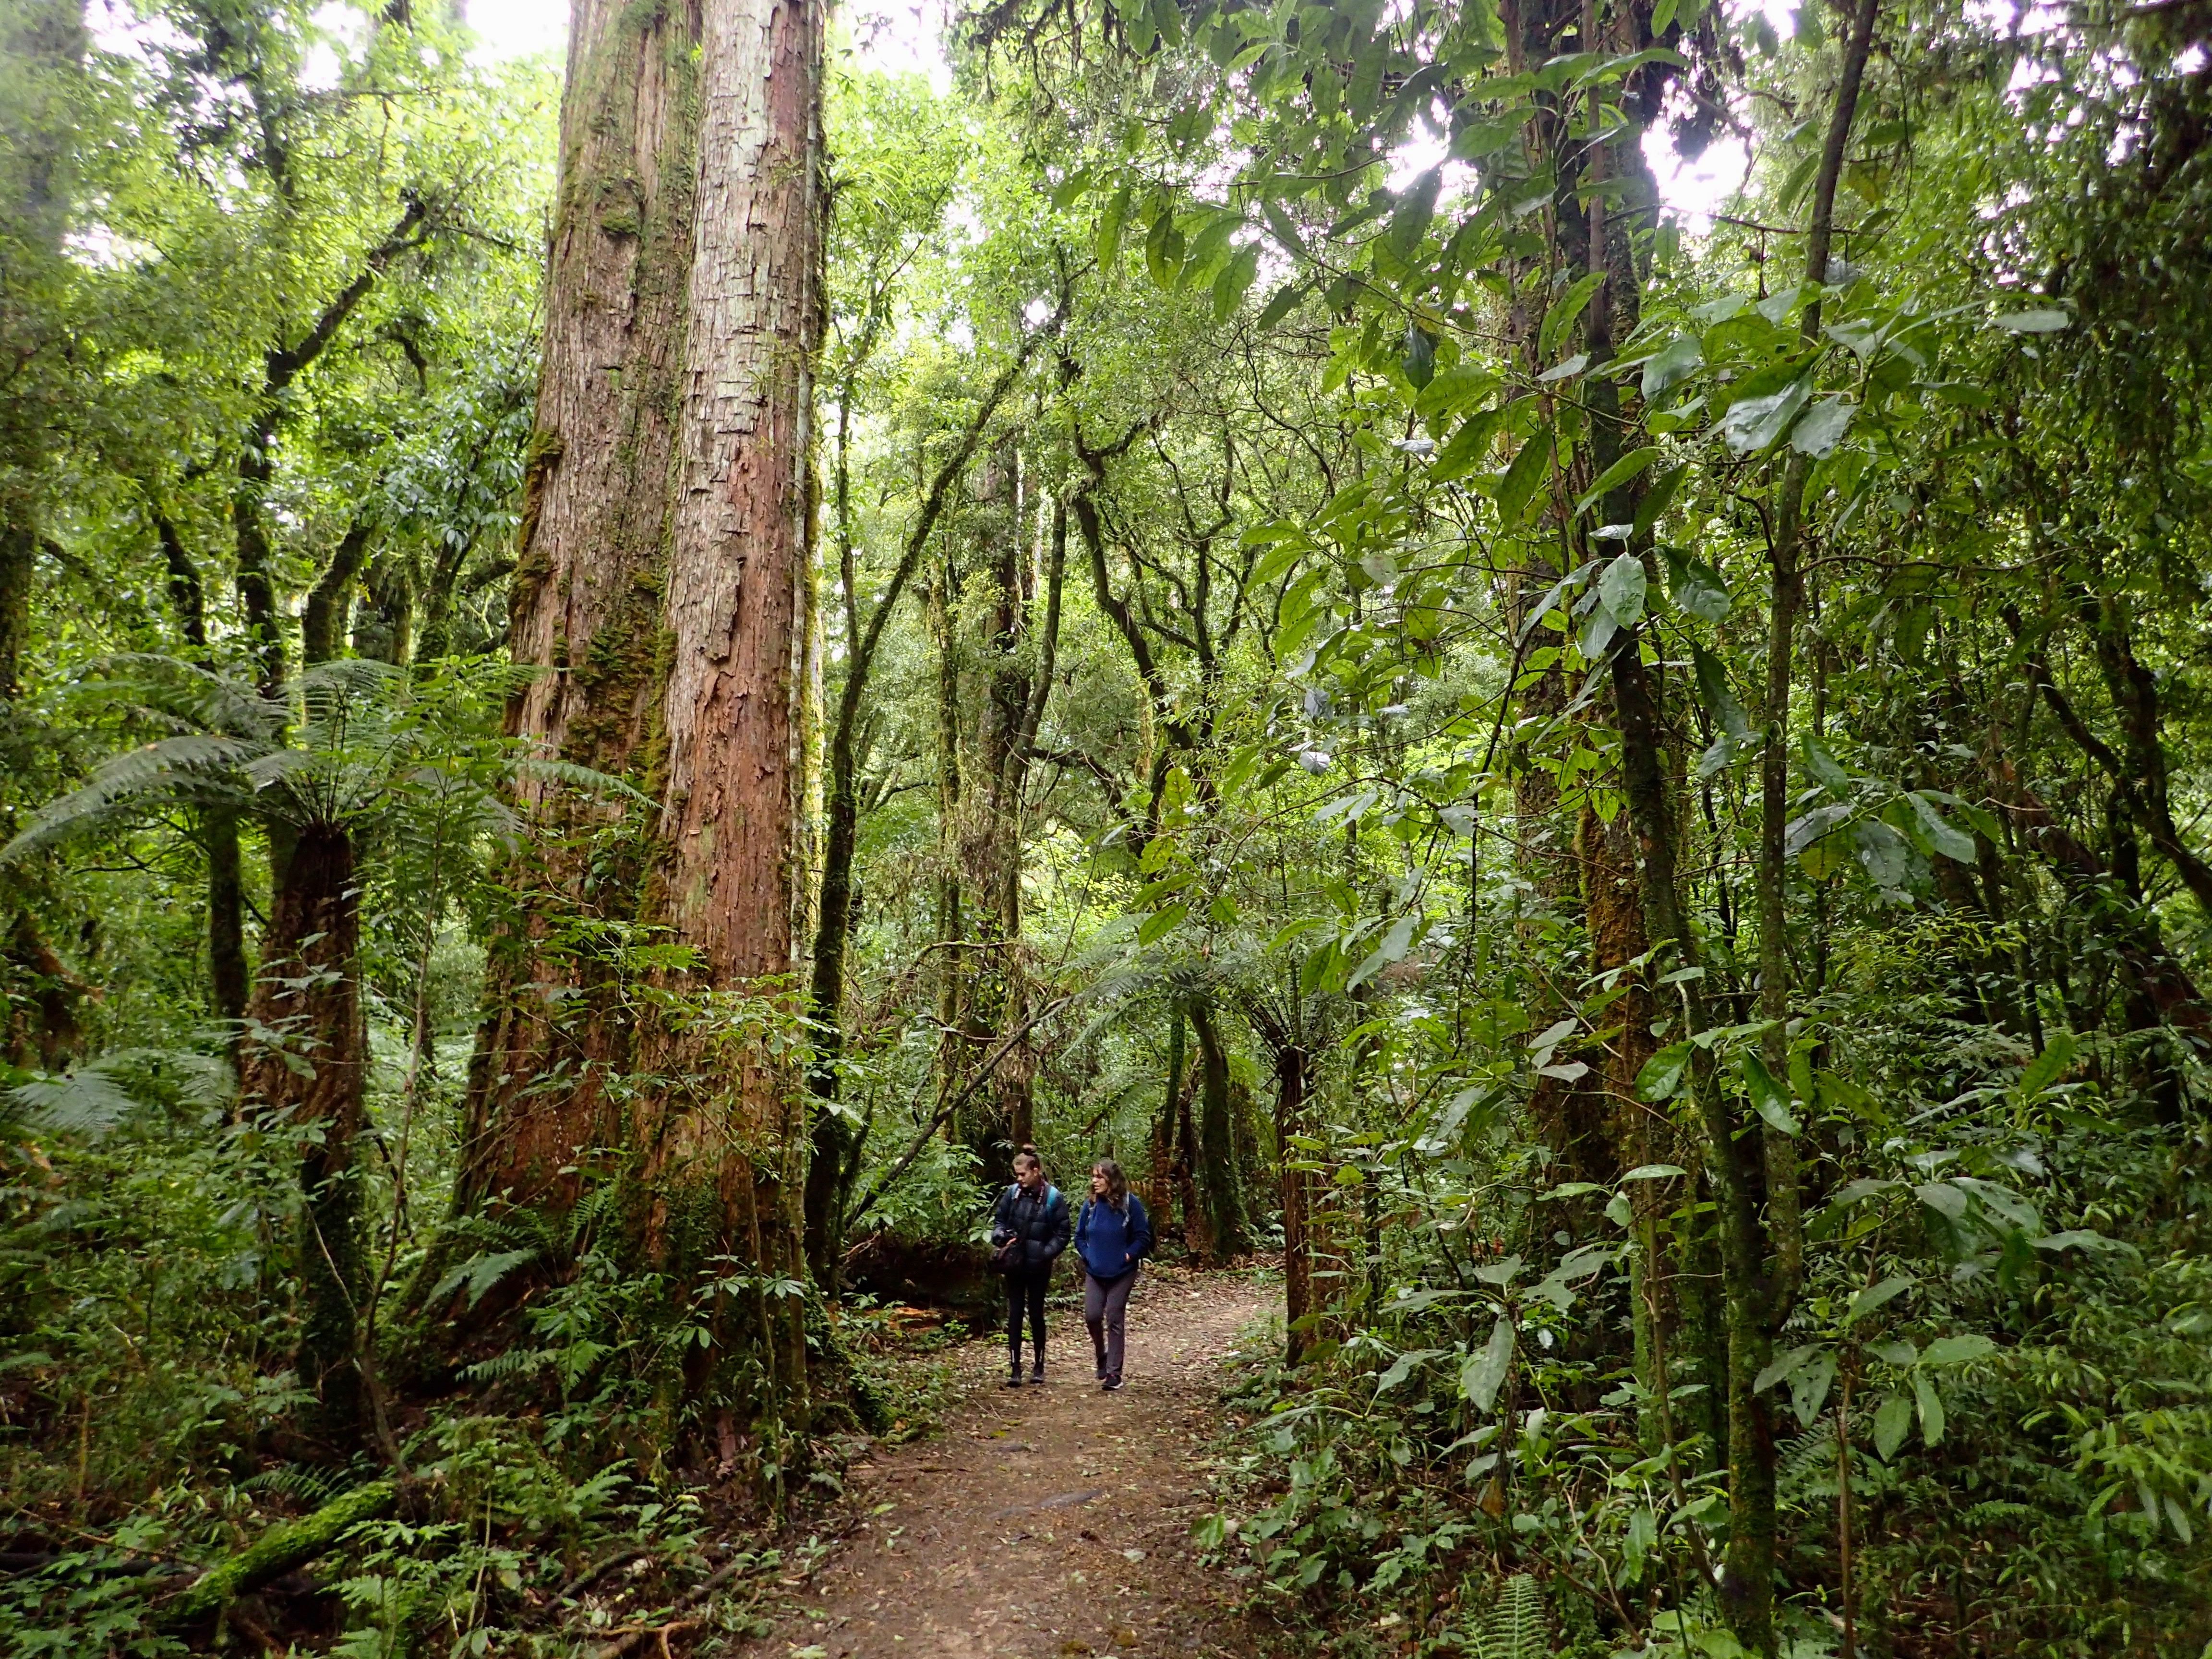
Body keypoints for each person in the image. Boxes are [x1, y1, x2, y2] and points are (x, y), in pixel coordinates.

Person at [990, 1144, 1070, 1386]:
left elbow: (1063, 1233)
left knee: (1036, 1314)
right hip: (1014, 1263)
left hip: (1039, 1267)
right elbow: (999, 1221)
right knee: (1015, 1314)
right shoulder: (1012, 1193)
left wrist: (1045, 1254)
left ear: (1036, 1171)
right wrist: (1001, 1236)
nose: (1019, 1179)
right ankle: (1015, 1368)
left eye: (1023, 1174)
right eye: (1017, 1174)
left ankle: (1039, 1365)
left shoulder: (1053, 1198)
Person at [1074, 1157, 1152, 1393]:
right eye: (1093, 1176)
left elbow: (1143, 1237)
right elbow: (1080, 1237)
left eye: (1100, 1177)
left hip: (1122, 1272)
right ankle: (1102, 1355)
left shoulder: (1130, 1204)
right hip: (1096, 1271)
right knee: (1092, 1316)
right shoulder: (1090, 1206)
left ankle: (1114, 1373)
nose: (1095, 1181)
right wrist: (1088, 1255)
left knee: (1114, 1317)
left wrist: (1128, 1255)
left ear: (1112, 1180)